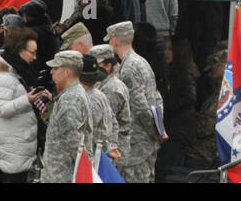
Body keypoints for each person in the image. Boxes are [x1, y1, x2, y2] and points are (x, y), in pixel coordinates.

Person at [0, 27, 49, 182]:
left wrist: (37, 97)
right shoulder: (2, 76)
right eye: (32, 52)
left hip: (17, 143)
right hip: (12, 146)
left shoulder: (15, 70)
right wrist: (27, 100)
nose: (35, 57)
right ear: (19, 50)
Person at [107, 20, 164, 183]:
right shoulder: (142, 62)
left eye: (110, 40)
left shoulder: (129, 68)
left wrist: (154, 131)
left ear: (116, 40)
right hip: (147, 144)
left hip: (136, 146)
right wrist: (159, 129)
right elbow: (157, 98)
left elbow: (139, 106)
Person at [40, 50, 93, 182]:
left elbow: (75, 144)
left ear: (67, 72)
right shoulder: (74, 93)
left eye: (55, 68)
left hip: (61, 176)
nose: (51, 72)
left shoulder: (70, 100)